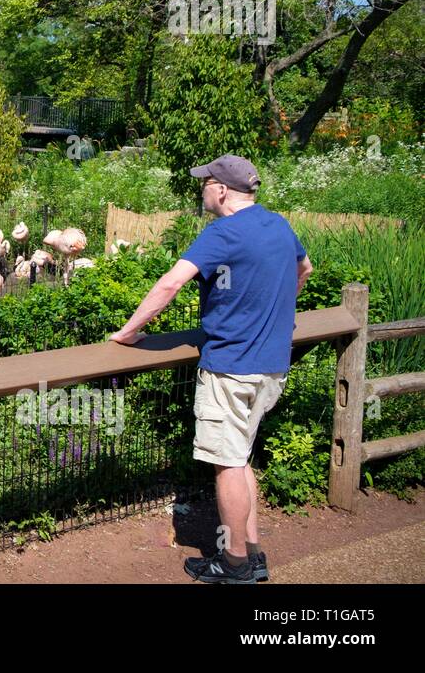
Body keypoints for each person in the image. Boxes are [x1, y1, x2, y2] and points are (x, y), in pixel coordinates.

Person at [109, 154, 313, 584]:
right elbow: (304, 269)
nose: (201, 189)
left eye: (205, 183)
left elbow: (169, 284)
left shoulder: (223, 233)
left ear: (221, 190)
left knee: (227, 464)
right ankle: (252, 552)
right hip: (270, 366)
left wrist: (127, 333)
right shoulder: (277, 224)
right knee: (240, 458)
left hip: (232, 368)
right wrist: (273, 313)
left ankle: (234, 562)